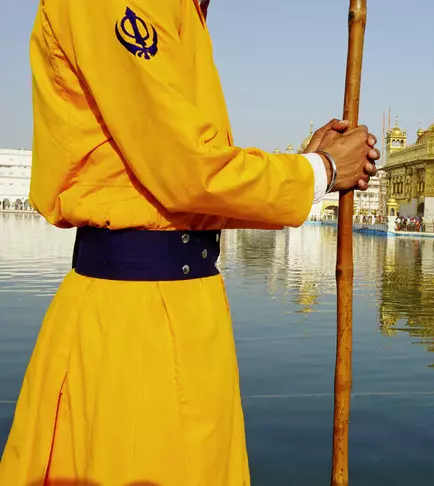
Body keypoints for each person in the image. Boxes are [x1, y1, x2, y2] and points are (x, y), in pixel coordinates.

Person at [0, 0, 379, 484]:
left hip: (185, 313)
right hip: (133, 325)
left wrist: (308, 170)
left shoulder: (183, 14)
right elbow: (188, 172)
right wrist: (319, 172)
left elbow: (183, 194)